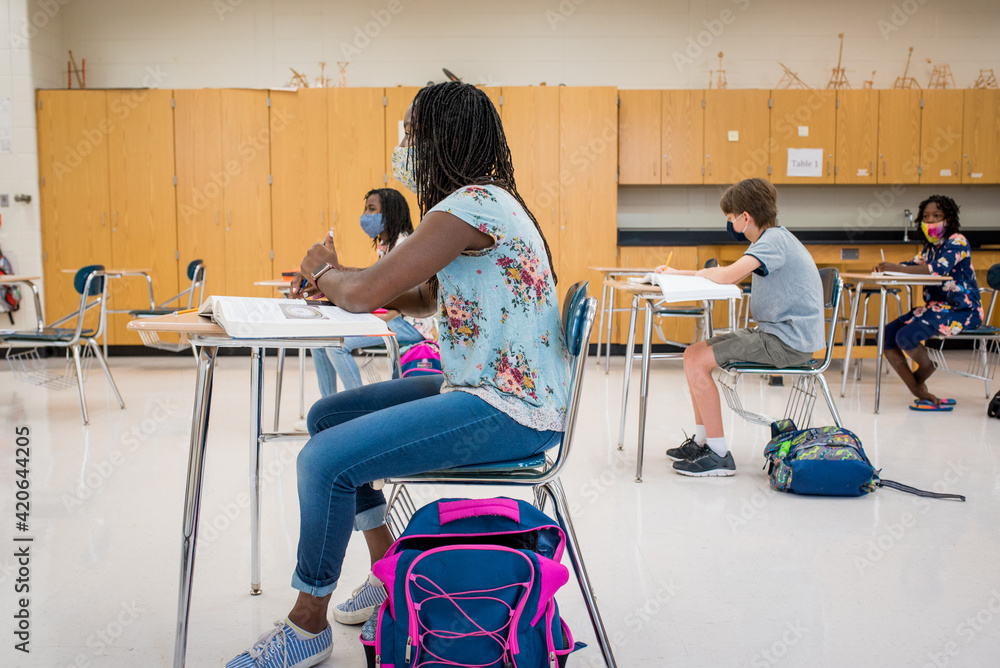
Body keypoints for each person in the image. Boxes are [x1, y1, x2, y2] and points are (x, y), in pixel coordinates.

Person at [226, 81, 570, 668]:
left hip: (510, 410)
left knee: (324, 458)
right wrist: (344, 289)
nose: (404, 144)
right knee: (328, 415)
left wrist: (326, 271)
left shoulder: (468, 205)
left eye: (411, 132)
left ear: (443, 139)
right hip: (487, 390)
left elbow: (363, 292)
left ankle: (307, 622)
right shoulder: (483, 203)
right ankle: (387, 568)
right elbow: (423, 296)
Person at [659, 178, 825, 477]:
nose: (730, 225)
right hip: (776, 334)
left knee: (697, 362)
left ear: (745, 217)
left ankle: (719, 455)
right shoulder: (773, 239)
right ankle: (702, 441)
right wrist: (676, 273)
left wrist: (683, 273)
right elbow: (723, 274)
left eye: (730, 219)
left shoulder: (773, 241)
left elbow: (726, 276)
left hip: (787, 342)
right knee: (693, 354)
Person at [312, 188, 430, 397]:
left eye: (371, 210)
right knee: (322, 342)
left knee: (337, 346)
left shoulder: (404, 244)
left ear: (390, 213)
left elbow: (389, 288)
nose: (365, 216)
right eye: (365, 210)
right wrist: (341, 272)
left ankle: (358, 410)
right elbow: (377, 277)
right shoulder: (386, 245)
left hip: (414, 324)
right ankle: (327, 405)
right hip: (394, 317)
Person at [875, 194, 982, 410]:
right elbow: (911, 264)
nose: (930, 221)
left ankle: (927, 369)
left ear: (949, 219)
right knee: (885, 336)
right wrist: (887, 267)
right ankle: (918, 389)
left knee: (905, 338)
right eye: (926, 217)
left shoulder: (957, 242)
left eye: (936, 216)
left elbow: (937, 269)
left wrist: (898, 269)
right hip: (935, 309)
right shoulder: (930, 249)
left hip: (963, 310)